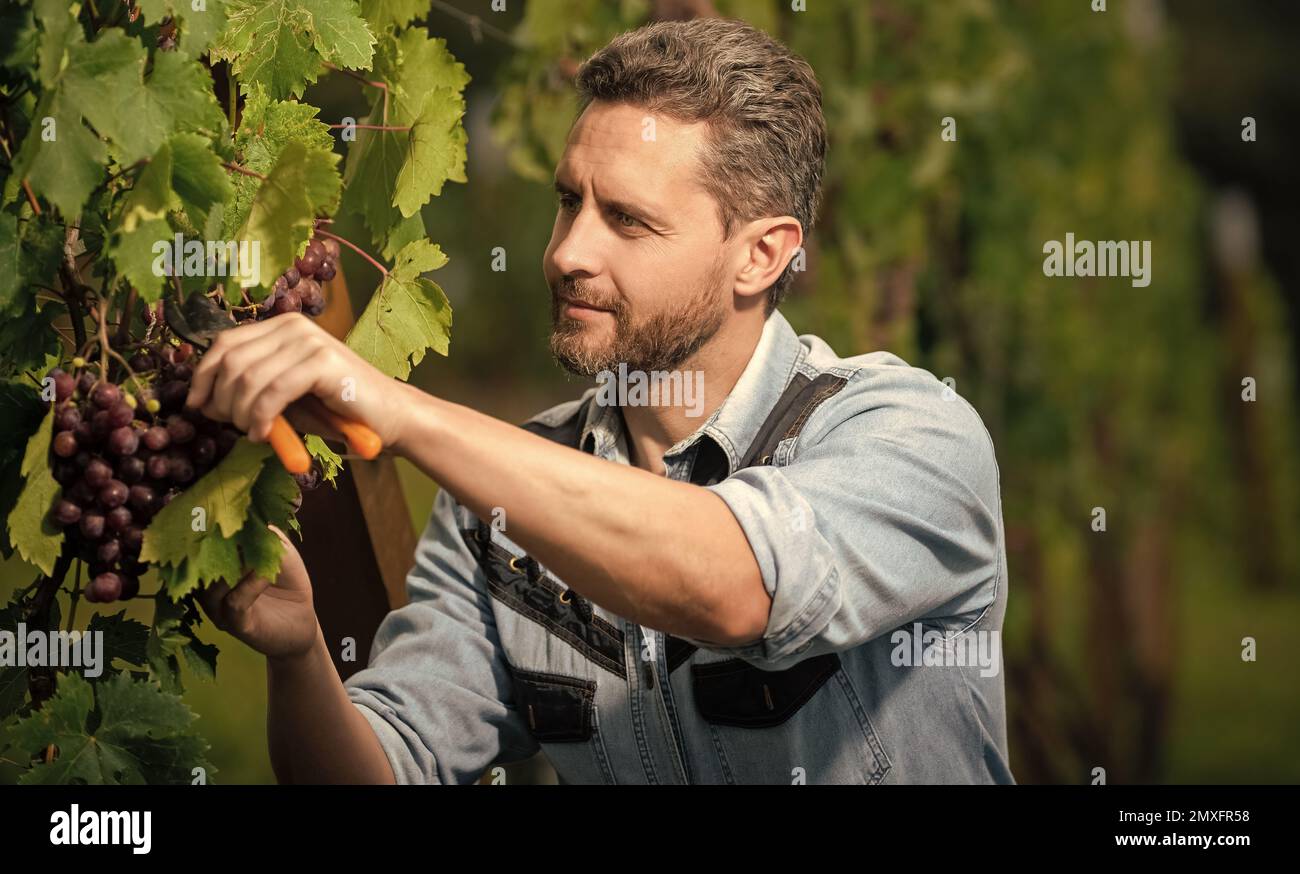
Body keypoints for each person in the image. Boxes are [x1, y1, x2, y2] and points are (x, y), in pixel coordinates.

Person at [191, 17, 1014, 785]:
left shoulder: (913, 437)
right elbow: (385, 767)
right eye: (567, 202)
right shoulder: (493, 512)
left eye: (627, 219)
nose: (567, 253)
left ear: (761, 256)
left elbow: (730, 584)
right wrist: (299, 657)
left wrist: (404, 412)